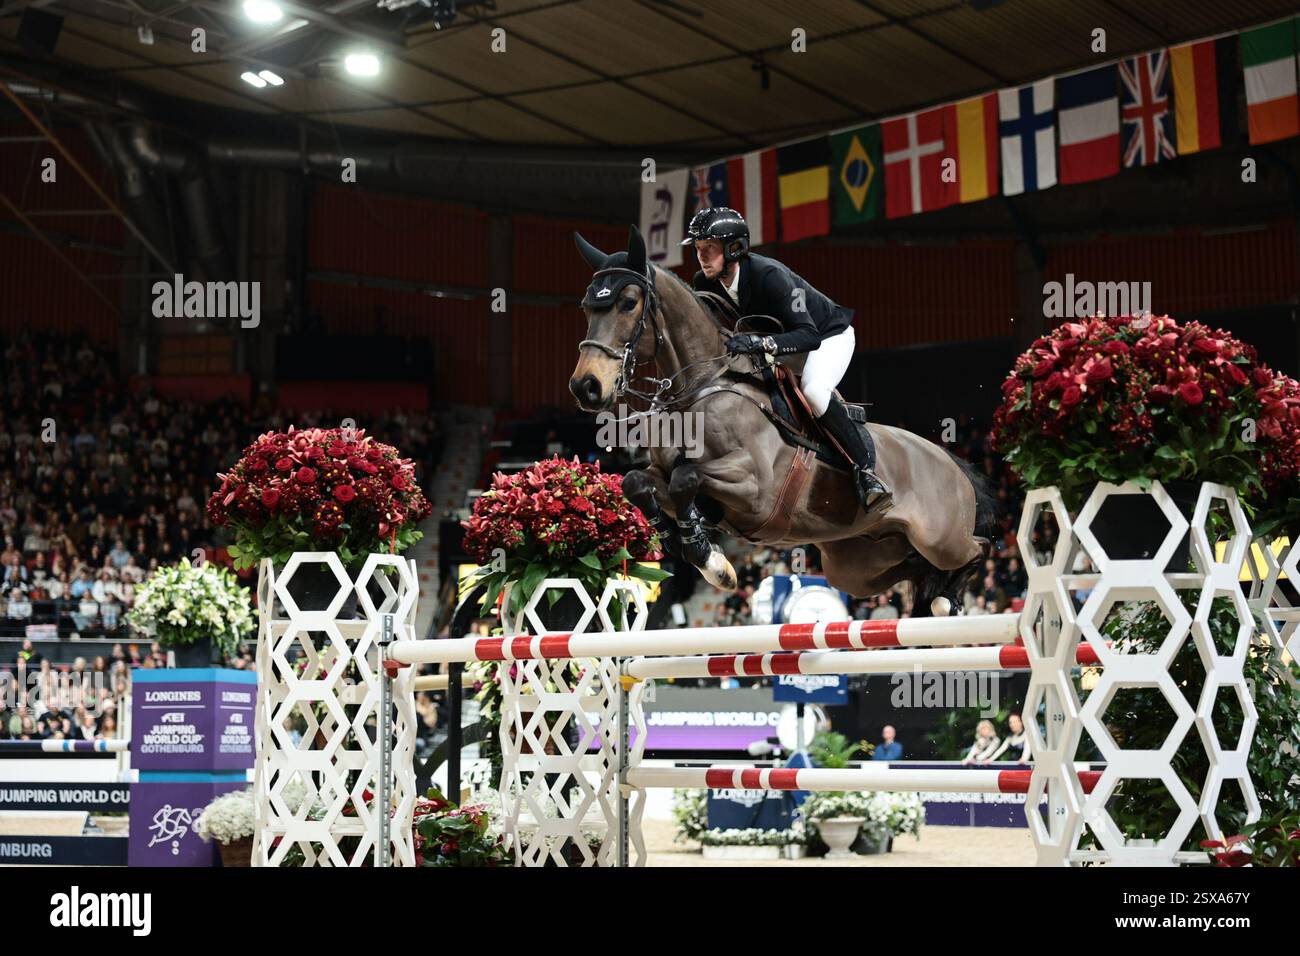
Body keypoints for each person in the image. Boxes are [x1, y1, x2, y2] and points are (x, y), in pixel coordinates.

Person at [681, 206, 888, 510]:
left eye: (709, 248)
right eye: (698, 249)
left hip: (827, 338)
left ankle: (866, 471)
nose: (702, 256)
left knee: (815, 393)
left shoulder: (769, 275)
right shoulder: (704, 283)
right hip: (777, 346)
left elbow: (808, 336)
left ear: (734, 248)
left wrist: (758, 341)